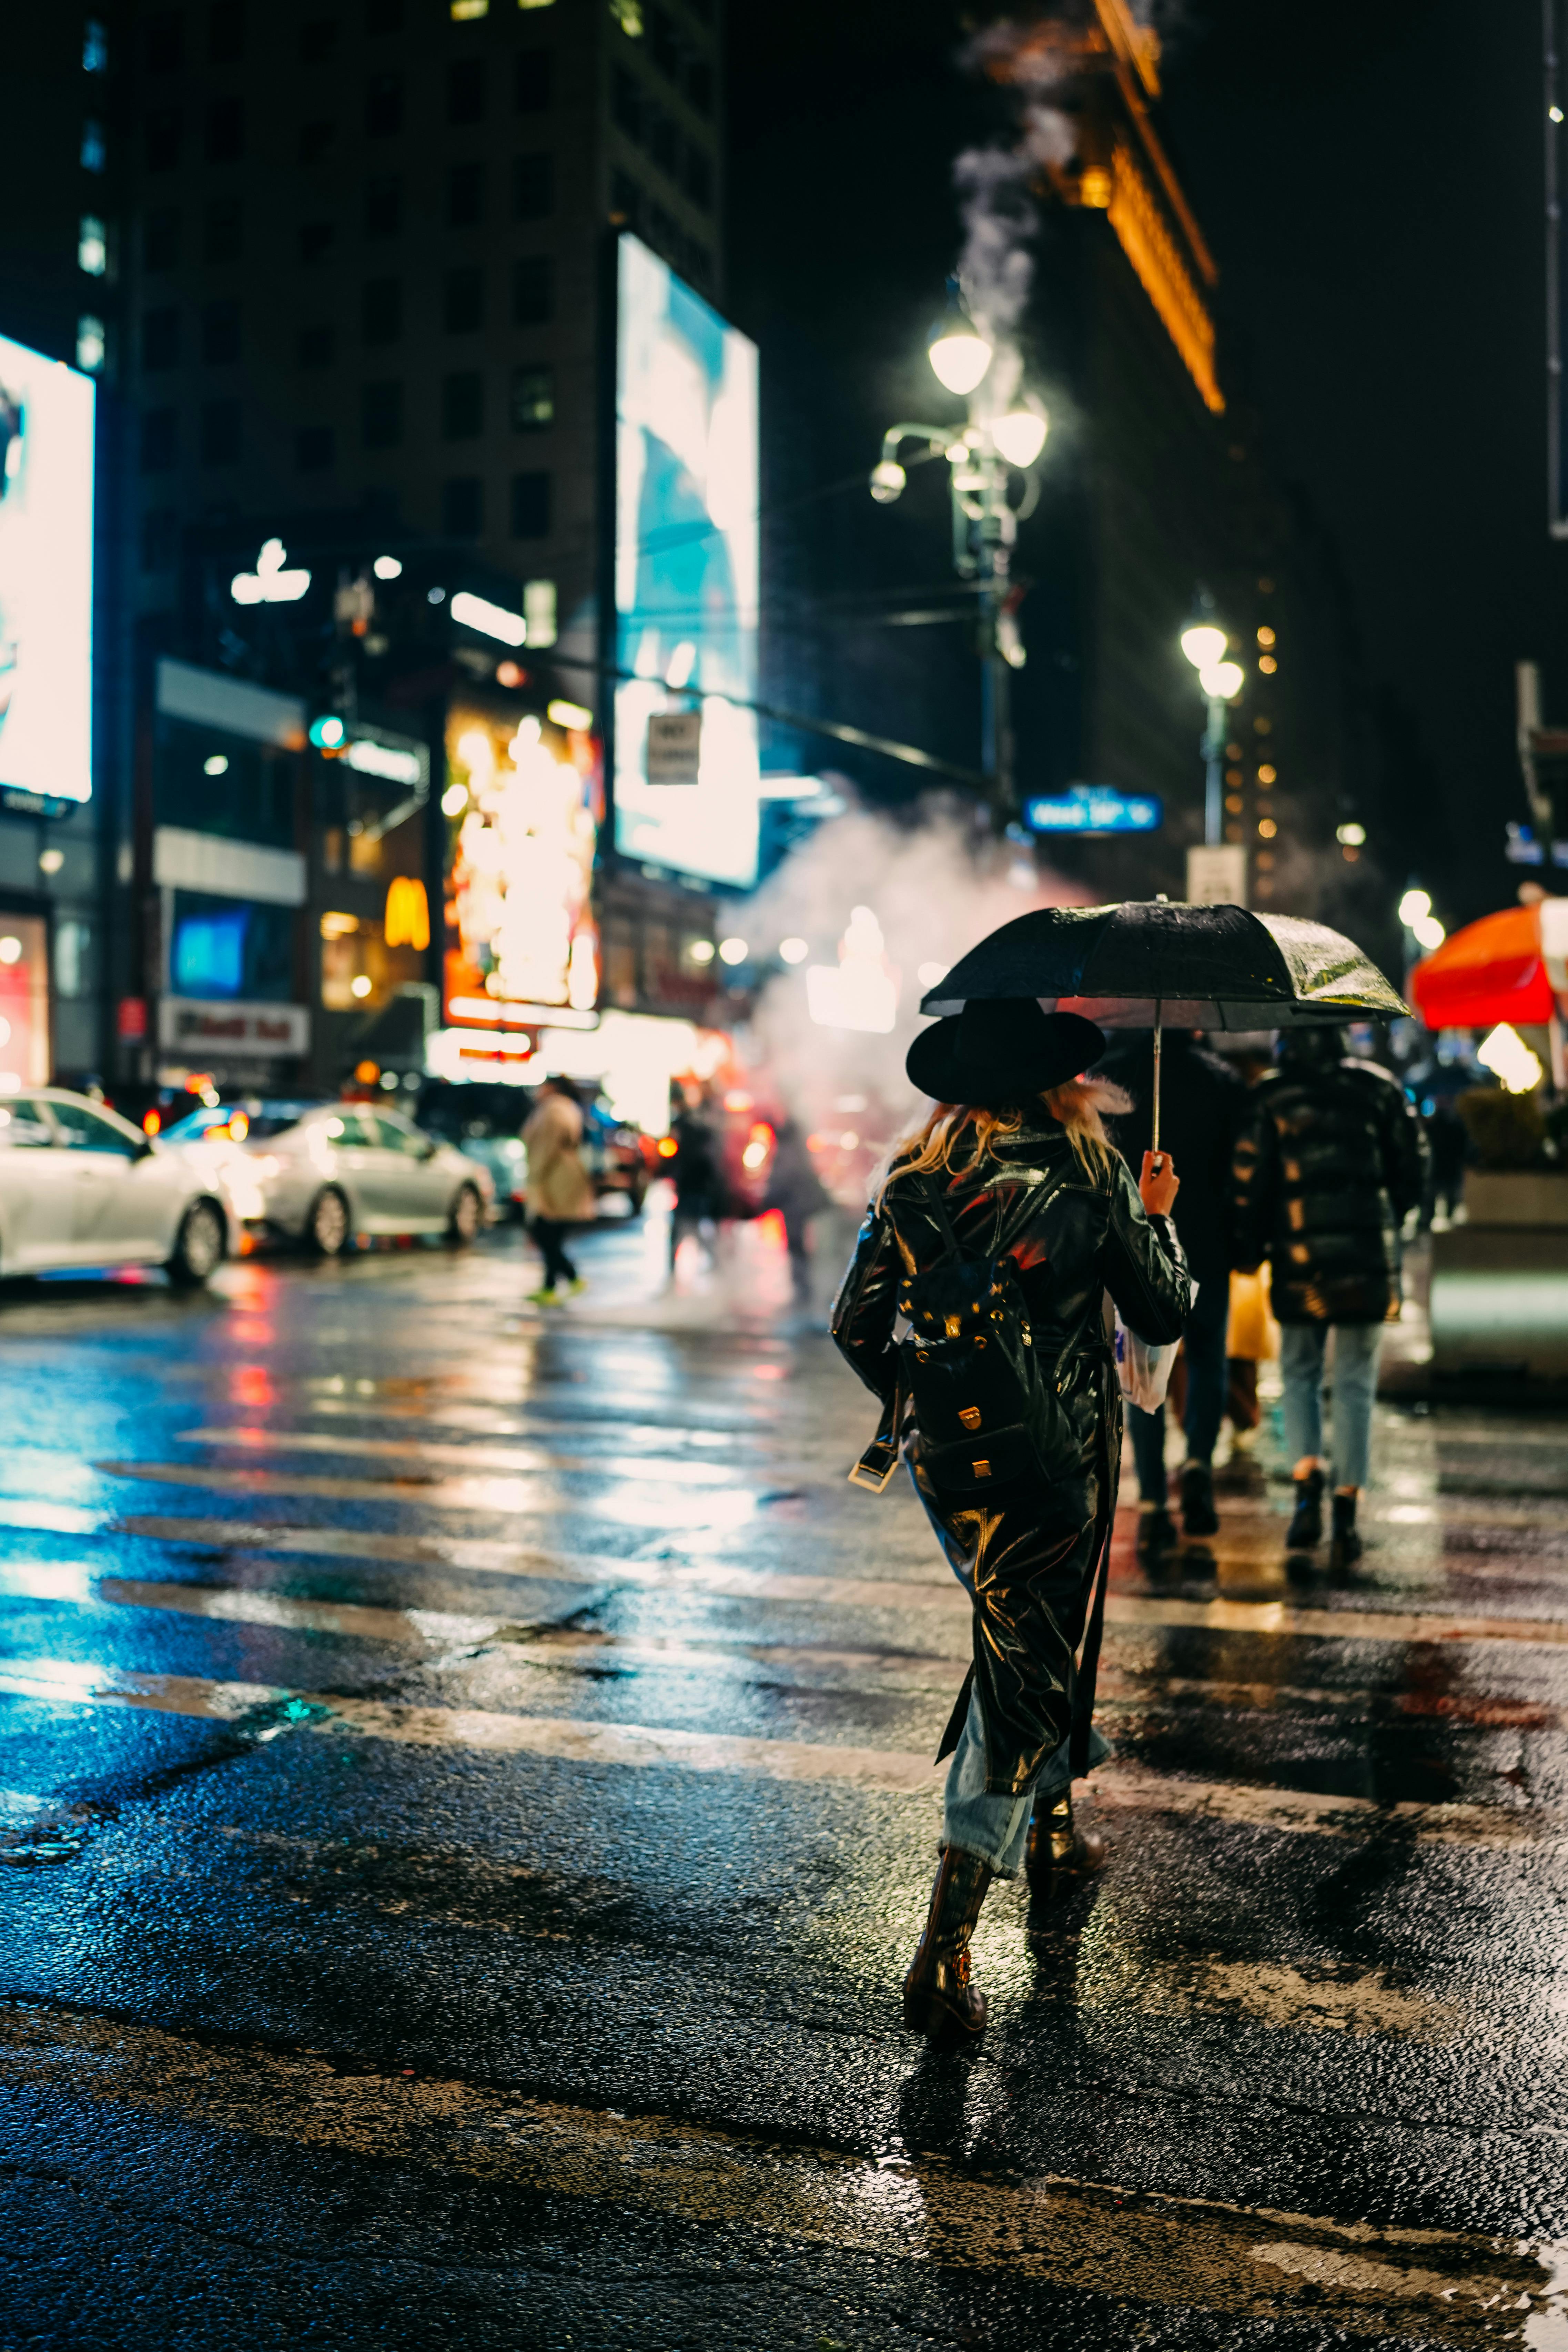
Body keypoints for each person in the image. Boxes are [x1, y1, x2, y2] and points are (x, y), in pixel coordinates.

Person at [832, 998, 1190, 2045]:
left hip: (952, 1465)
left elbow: (854, 1325)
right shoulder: (1089, 1170)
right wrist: (1155, 1214)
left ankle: (1054, 1829)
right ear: (1055, 1081)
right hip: (1057, 1458)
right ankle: (944, 1949)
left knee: (1019, 1633)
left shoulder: (912, 1177)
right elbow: (1163, 1310)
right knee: (1018, 1665)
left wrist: (936, 1397)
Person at [1231, 1026, 1427, 1568]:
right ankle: (1346, 1507)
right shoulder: (1380, 1088)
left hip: (1299, 1257)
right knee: (1356, 1382)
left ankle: (1305, 1484)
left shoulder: (1270, 1095)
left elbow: (1250, 1182)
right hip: (1367, 1257)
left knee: (1299, 1372)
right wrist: (1389, 1216)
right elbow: (1413, 1167)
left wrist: (1249, 1246)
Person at [1096, 1028, 1244, 1552]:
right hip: (1207, 1242)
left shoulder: (1107, 1079)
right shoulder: (1222, 1081)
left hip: (1134, 1247)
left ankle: (1154, 1502)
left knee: (1141, 1365)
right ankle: (1199, 1462)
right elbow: (1237, 1169)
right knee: (1206, 1357)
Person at [521, 1076, 595, 1306]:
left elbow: (546, 1147)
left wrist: (535, 1176)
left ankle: (570, 1279)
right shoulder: (565, 1108)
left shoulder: (554, 1110)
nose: (538, 1090)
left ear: (552, 1088)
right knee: (551, 1235)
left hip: (554, 1177)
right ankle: (552, 1286)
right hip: (563, 1175)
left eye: (542, 1086)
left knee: (544, 1232)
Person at [763, 1115, 833, 1303]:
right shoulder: (798, 1149)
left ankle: (804, 1293)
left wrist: (766, 1201)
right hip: (803, 1207)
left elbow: (782, 1179)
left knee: (798, 1249)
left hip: (796, 1209)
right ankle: (807, 1290)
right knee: (803, 1249)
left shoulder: (787, 1151)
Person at [666, 1091, 724, 1278]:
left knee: (688, 1227)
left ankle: (714, 1264)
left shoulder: (689, 1126)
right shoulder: (699, 1127)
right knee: (691, 1227)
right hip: (695, 1185)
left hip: (693, 1185)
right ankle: (715, 1264)